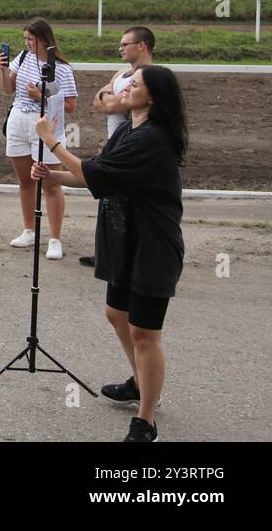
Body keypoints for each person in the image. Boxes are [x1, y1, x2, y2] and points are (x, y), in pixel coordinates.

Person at [32, 65, 187, 443]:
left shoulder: (152, 138)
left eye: (134, 85)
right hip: (125, 239)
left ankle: (146, 421)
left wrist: (52, 143)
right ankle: (140, 383)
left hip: (153, 245)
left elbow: (93, 171)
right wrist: (54, 176)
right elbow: (98, 174)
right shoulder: (128, 130)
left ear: (151, 97)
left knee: (144, 333)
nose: (125, 88)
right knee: (117, 313)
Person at [0, 17, 78, 260]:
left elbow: (70, 106)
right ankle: (29, 229)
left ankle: (55, 238)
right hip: (19, 120)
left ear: (44, 39)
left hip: (45, 124)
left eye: (31, 39)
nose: (27, 43)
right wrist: (3, 71)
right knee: (25, 181)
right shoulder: (21, 58)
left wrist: (40, 96)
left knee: (51, 183)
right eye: (25, 39)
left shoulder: (62, 68)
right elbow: (9, 89)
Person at [81, 26, 157, 267]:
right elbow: (99, 101)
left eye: (125, 44)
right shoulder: (122, 73)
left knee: (130, 205)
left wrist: (109, 99)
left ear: (142, 46)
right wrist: (110, 99)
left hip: (133, 148)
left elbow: (112, 106)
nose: (120, 48)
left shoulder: (149, 78)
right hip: (114, 147)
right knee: (109, 202)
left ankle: (132, 256)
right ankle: (107, 252)